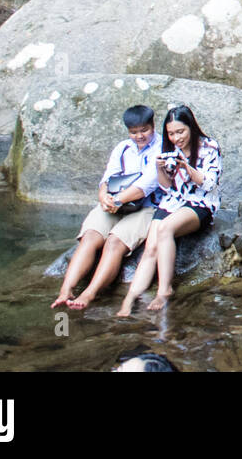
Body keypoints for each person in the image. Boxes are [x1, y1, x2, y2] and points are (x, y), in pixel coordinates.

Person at [52, 105, 161, 310]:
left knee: (114, 242)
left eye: (144, 131)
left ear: (153, 126)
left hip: (148, 206)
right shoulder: (123, 148)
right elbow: (107, 177)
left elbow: (147, 184)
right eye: (134, 132)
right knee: (90, 236)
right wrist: (104, 196)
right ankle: (65, 290)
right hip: (115, 203)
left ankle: (89, 293)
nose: (139, 136)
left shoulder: (162, 148)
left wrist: (118, 200)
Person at [117, 105, 221, 316]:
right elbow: (166, 187)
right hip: (172, 201)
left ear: (191, 127)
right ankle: (128, 300)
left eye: (180, 132)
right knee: (150, 248)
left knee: (165, 229)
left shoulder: (210, 146)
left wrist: (186, 167)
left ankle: (165, 290)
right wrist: (159, 168)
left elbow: (209, 184)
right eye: (171, 133)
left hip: (199, 203)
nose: (176, 138)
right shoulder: (169, 148)